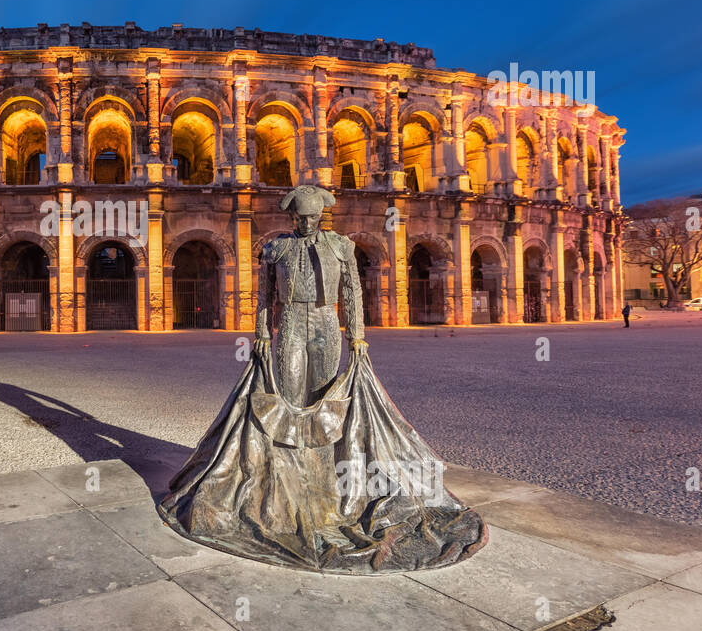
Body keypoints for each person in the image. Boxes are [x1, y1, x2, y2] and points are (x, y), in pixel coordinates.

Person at [157, 183, 487, 575]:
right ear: (292, 217)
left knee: (328, 397)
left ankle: (326, 473)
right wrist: (262, 331)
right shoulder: (277, 247)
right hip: (292, 323)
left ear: (322, 216)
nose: (307, 223)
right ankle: (289, 476)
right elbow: (265, 295)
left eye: (313, 217)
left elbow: (352, 294)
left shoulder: (340, 246)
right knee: (291, 396)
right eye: (300, 218)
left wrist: (357, 336)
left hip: (327, 323)